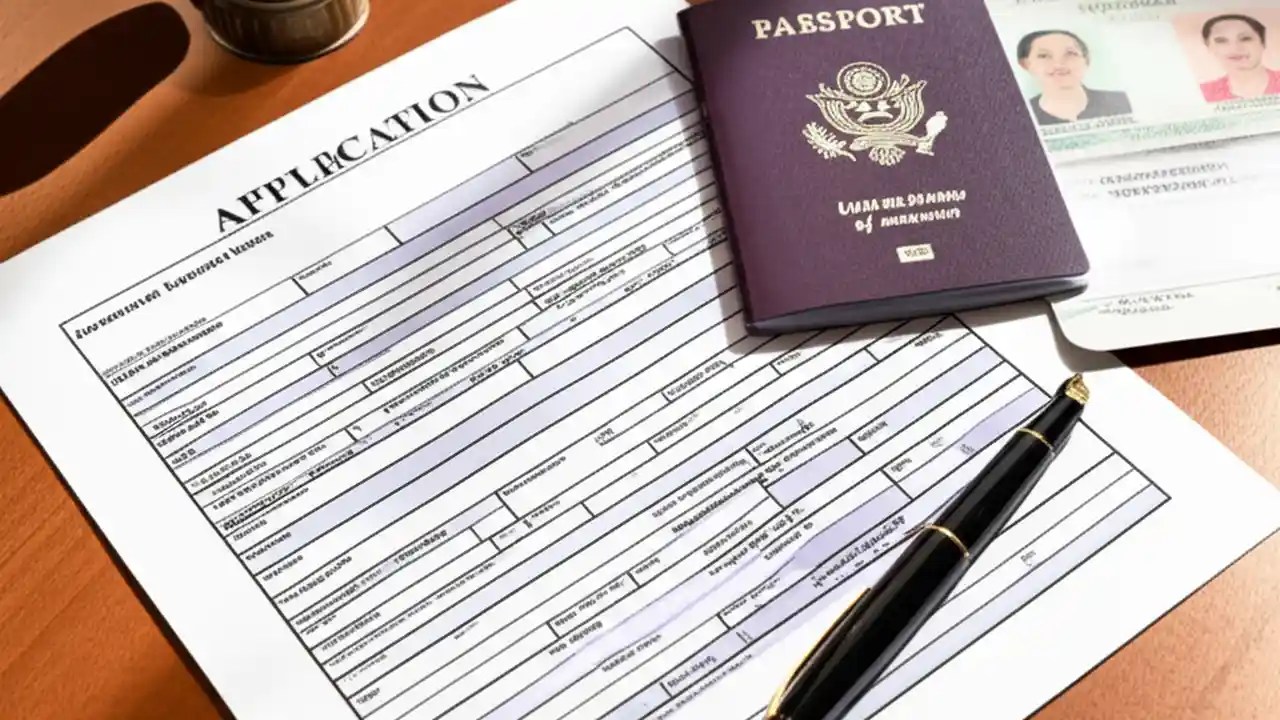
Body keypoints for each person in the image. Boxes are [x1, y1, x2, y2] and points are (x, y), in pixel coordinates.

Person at [1017, 29, 1133, 125]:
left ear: (1086, 61)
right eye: (1044, 56)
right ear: (1026, 64)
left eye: (1070, 54)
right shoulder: (1021, 116)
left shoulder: (1122, 101)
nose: (1058, 64)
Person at [1199, 14, 1280, 101]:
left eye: (1245, 39)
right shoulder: (1202, 93)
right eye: (1221, 41)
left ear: (1263, 43)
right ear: (1209, 47)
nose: (1235, 48)